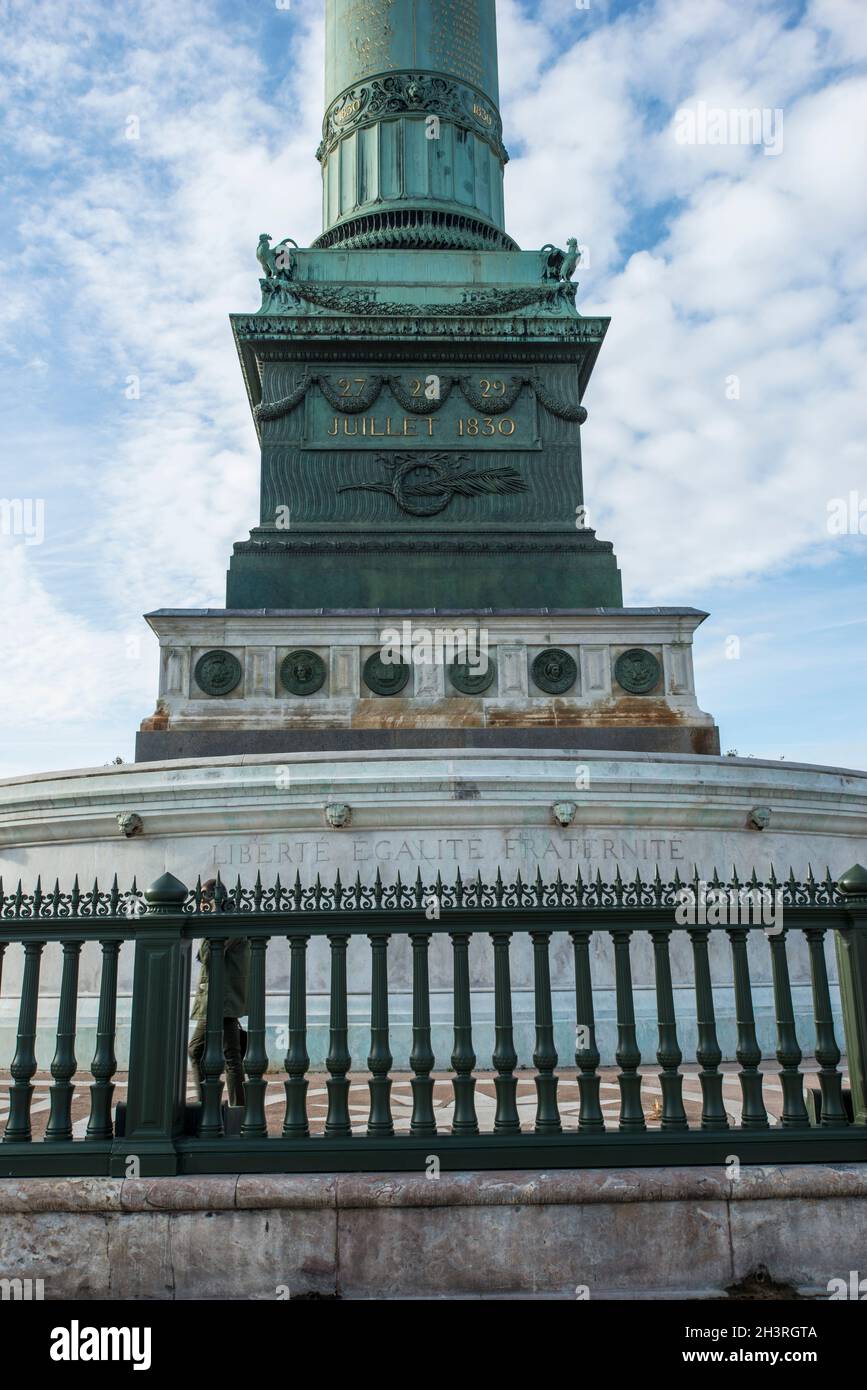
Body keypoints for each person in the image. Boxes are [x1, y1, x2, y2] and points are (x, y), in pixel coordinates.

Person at [187, 878, 250, 1108]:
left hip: (220, 999)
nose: (201, 900)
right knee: (230, 1055)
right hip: (221, 998)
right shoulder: (228, 917)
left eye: (204, 895)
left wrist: (209, 919)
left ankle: (213, 1106)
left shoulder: (227, 920)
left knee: (201, 1051)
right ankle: (234, 1107)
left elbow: (207, 955)